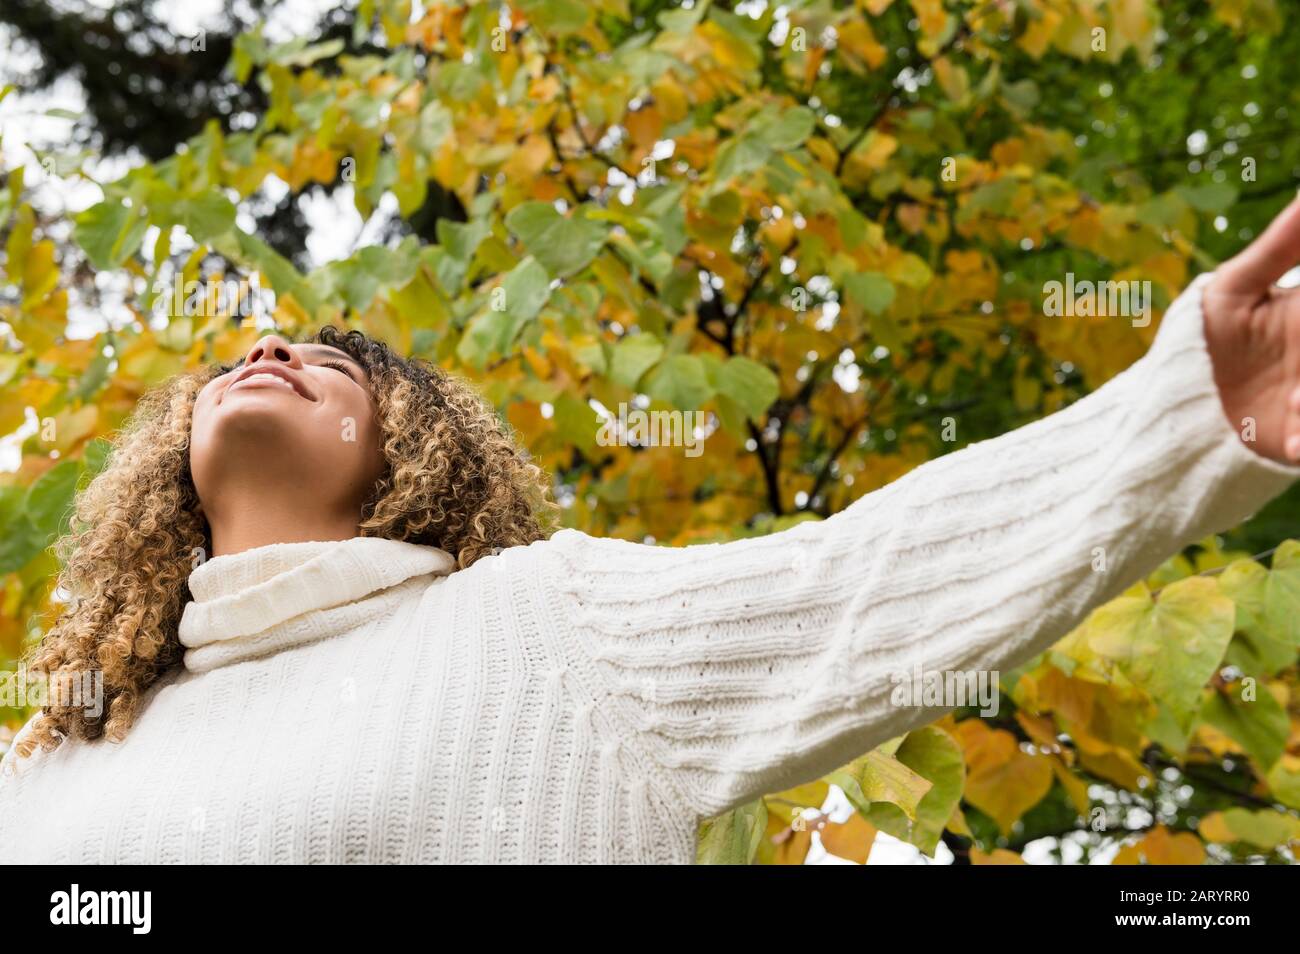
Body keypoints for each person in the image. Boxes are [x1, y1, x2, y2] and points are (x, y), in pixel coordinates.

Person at [4, 200, 1300, 865]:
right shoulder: (57, 747)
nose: (272, 346)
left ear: (413, 454)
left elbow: (863, 580)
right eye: (245, 350)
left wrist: (1178, 418)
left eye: (339, 365)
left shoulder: (540, 630)